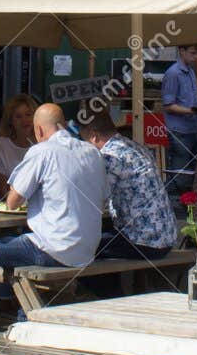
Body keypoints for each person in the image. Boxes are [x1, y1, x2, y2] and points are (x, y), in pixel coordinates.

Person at [0, 103, 107, 347]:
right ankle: (22, 318)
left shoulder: (42, 152)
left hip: (53, 249)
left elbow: (13, 200)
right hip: (87, 251)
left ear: (39, 130)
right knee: (10, 244)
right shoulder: (91, 152)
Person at [76, 105, 177, 262]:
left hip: (143, 243)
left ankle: (105, 287)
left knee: (80, 247)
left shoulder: (109, 156)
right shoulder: (135, 147)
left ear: (94, 137)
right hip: (165, 238)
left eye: (84, 141)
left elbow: (94, 201)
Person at [159, 44, 197, 195]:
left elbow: (191, 99)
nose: (195, 57)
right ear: (181, 51)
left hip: (194, 127)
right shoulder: (173, 73)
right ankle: (174, 205)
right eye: (193, 53)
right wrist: (191, 110)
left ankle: (187, 204)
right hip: (180, 130)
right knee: (181, 174)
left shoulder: (190, 72)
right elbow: (168, 105)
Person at [0, 93, 37, 199]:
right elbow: (3, 192)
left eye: (28, 114)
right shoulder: (0, 146)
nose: (24, 120)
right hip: (7, 210)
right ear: (10, 121)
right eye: (18, 116)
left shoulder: (43, 145)